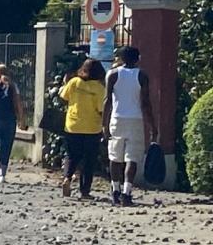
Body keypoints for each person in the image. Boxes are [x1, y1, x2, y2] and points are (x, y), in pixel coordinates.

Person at [103, 46, 157, 206]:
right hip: (135, 119)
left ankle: (115, 190)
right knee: (131, 159)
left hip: (117, 118)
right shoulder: (141, 75)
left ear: (121, 58)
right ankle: (127, 192)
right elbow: (146, 103)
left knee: (114, 156)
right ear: (138, 58)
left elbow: (107, 100)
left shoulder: (112, 74)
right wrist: (152, 125)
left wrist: (104, 124)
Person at [60, 58, 106, 200]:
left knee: (71, 155)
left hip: (72, 126)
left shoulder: (74, 82)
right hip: (92, 128)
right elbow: (101, 109)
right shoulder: (99, 88)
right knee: (89, 160)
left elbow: (63, 96)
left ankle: (67, 177)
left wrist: (65, 83)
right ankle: (84, 191)